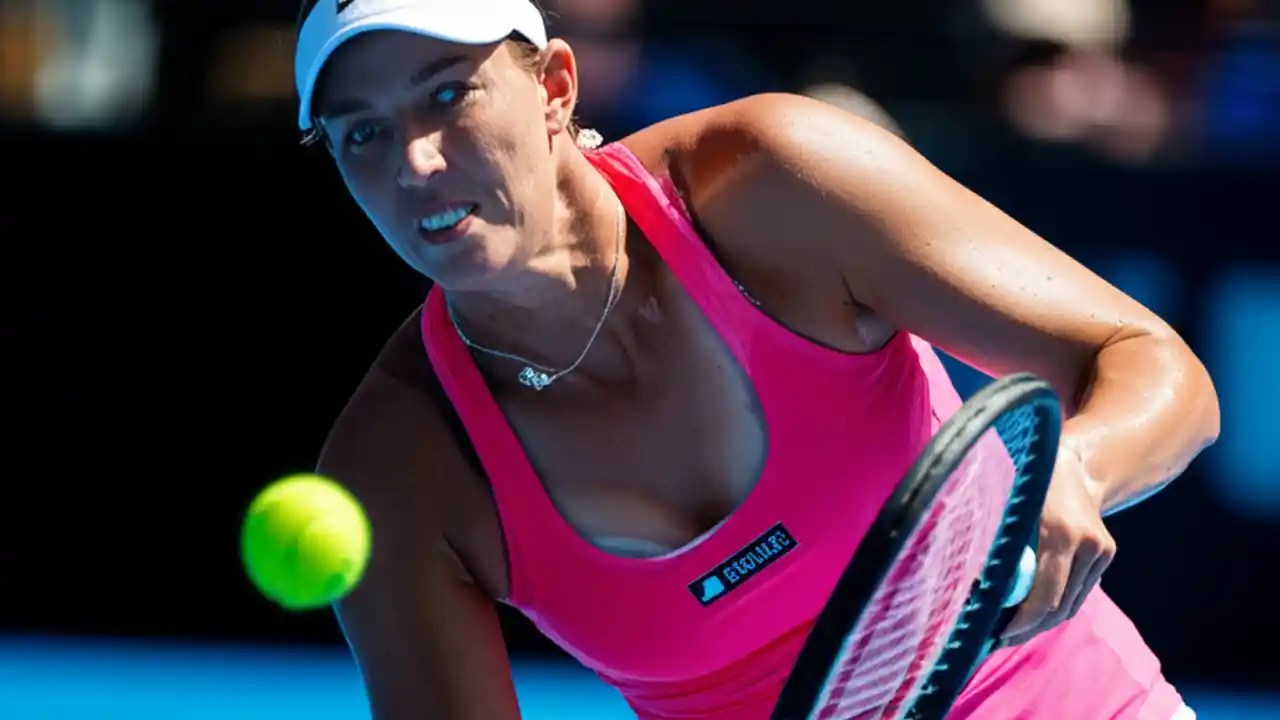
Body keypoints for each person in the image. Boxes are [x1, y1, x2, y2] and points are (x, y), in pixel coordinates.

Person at [292, 1, 1220, 718]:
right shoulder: (398, 478)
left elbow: (1146, 360)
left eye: (448, 93)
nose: (412, 164)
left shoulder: (773, 183)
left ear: (555, 87)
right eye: (361, 132)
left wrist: (1079, 467)